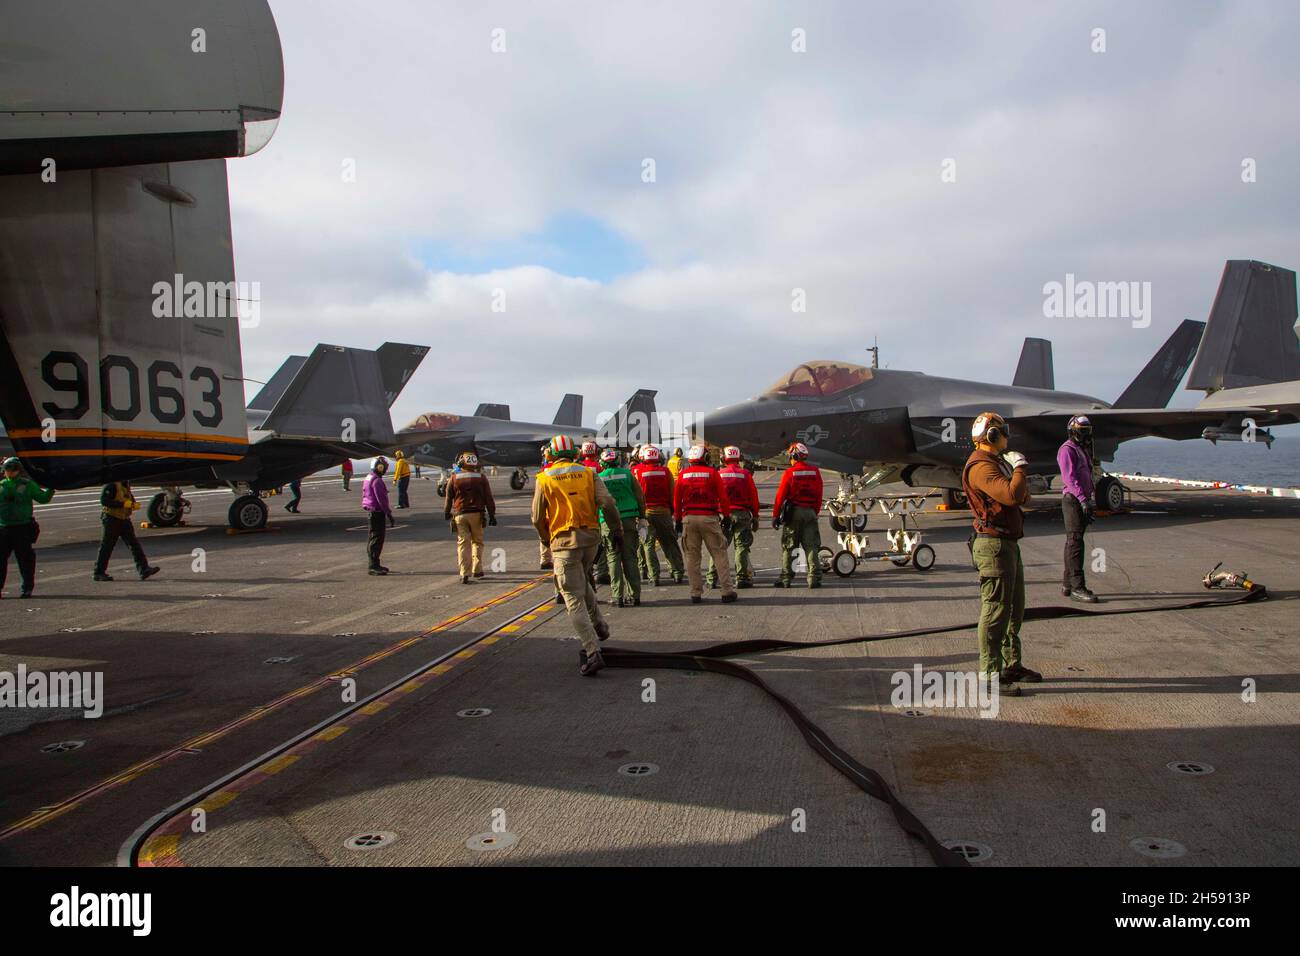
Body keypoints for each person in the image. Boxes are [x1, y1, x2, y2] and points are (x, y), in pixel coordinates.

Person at [961, 411, 1040, 697]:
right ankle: (989, 675)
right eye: (1002, 430)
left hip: (1008, 543)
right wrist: (1019, 467)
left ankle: (1012, 665)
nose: (1007, 434)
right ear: (991, 436)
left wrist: (1018, 480)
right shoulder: (982, 467)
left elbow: (1019, 496)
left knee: (1014, 609)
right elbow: (1009, 495)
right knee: (995, 610)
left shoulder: (995, 464)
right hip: (993, 546)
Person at [532, 435, 622, 676]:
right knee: (582, 580)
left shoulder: (543, 478)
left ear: (550, 454)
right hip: (590, 538)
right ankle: (599, 624)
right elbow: (608, 503)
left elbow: (537, 517)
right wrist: (617, 530)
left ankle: (592, 651)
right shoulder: (588, 473)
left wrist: (545, 538)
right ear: (574, 453)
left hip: (563, 543)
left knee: (572, 596)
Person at [674, 444, 737, 604]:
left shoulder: (683, 475)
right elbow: (723, 498)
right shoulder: (713, 474)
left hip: (689, 519)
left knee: (692, 557)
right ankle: (727, 592)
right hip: (709, 518)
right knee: (719, 554)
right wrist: (727, 516)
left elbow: (677, 500)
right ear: (706, 458)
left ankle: (696, 593)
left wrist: (678, 520)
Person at [597, 447, 646, 607]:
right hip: (629, 519)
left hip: (608, 522)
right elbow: (640, 496)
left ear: (602, 462)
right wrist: (643, 516)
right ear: (617, 461)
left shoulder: (599, 478)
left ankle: (617, 596)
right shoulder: (627, 474)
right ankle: (635, 595)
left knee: (613, 557)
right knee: (630, 557)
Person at [1058, 415, 1099, 603]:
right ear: (1073, 432)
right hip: (1073, 500)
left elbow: (1086, 475)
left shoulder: (1080, 450)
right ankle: (1077, 587)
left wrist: (1090, 499)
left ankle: (1067, 584)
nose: (1086, 436)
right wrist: (1083, 500)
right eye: (1082, 432)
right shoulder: (1067, 450)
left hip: (1080, 500)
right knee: (1075, 544)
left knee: (1073, 541)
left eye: (1087, 432)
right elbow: (1069, 478)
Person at [771, 442, 823, 588]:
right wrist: (814, 512)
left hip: (793, 513)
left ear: (794, 455)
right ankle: (814, 578)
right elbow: (819, 495)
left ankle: (786, 578)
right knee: (811, 545)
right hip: (810, 512)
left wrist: (775, 516)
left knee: (789, 546)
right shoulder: (815, 472)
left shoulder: (789, 473)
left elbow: (780, 497)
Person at [0, 457, 54, 598]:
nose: (10, 472)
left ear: (19, 470)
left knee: (25, 561)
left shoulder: (27, 485)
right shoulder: (1, 486)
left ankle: (27, 588)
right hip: (3, 528)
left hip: (22, 528)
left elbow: (43, 498)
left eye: (13, 469)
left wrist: (51, 488)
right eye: (8, 469)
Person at [631, 445, 685, 585]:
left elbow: (635, 494)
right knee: (670, 542)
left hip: (646, 513)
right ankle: (677, 572)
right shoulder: (665, 472)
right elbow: (672, 493)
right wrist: (672, 512)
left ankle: (654, 576)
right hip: (664, 512)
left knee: (648, 545)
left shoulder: (636, 471)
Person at [709, 445, 759, 589]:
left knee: (719, 547)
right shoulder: (746, 474)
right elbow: (753, 498)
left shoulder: (718, 474)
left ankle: (712, 577)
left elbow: (712, 495)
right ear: (739, 458)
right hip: (742, 515)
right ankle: (742, 578)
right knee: (742, 546)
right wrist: (755, 517)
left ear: (723, 458)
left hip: (723, 515)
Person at [443, 451, 497, 583]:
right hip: (477, 515)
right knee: (477, 542)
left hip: (460, 515)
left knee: (463, 543)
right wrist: (492, 515)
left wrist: (446, 512)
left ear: (461, 462)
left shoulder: (454, 477)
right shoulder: (481, 477)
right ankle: (477, 570)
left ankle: (464, 573)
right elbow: (488, 498)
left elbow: (448, 497)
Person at [93, 481, 160, 582]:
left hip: (124, 519)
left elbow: (128, 497)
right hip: (111, 519)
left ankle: (144, 569)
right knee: (107, 546)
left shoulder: (125, 485)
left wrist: (133, 504)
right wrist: (123, 504)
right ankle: (98, 573)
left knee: (134, 545)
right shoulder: (112, 485)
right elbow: (104, 501)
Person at [362, 456, 396, 575]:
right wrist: (389, 513)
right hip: (377, 512)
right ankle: (373, 566)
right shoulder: (377, 481)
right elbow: (382, 499)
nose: (385, 470)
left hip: (372, 511)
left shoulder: (369, 477)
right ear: (379, 467)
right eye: (384, 467)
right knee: (377, 539)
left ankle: (375, 563)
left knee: (373, 538)